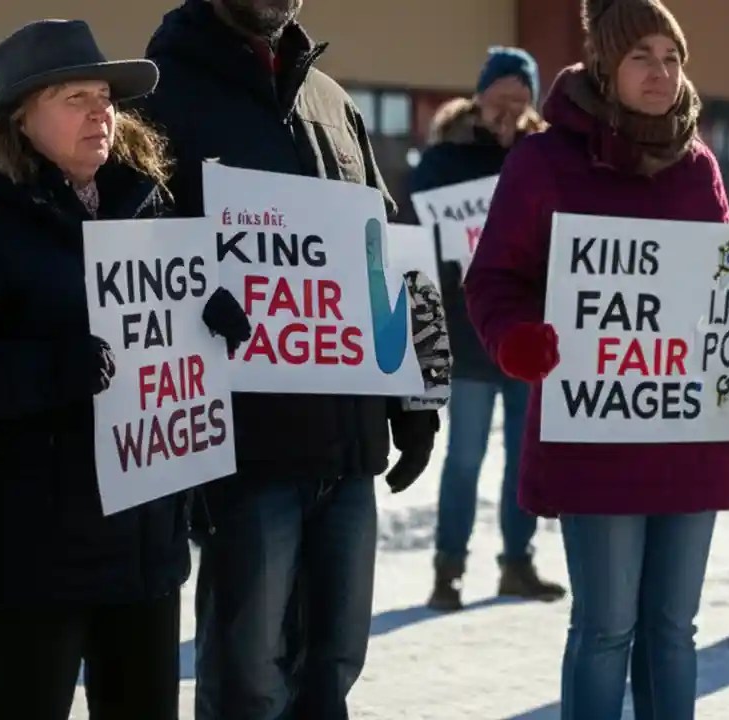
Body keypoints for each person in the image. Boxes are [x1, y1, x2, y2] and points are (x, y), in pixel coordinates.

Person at [464, 1, 729, 716]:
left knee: (673, 630)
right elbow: (493, 278)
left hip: (687, 433)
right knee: (606, 628)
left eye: (672, 57)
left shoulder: (700, 165)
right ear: (604, 65)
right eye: (641, 57)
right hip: (596, 433)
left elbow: (716, 288)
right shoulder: (545, 159)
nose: (661, 72)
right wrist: (516, 336)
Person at [133, 1, 445, 718]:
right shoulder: (158, 97)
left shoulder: (332, 102)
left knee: (333, 667)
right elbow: (132, 260)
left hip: (348, 449)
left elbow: (390, 246)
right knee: (249, 680)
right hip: (245, 453)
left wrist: (420, 397)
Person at [0, 19, 249, 720]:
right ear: (19, 120)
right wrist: (50, 370)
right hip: (35, 554)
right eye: (74, 97)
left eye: (105, 97)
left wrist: (210, 324)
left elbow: (164, 335)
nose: (101, 112)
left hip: (144, 544)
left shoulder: (146, 201)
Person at [404, 46, 565, 611]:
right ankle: (448, 571)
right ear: (479, 98)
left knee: (526, 457)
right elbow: (412, 234)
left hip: (527, 334)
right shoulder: (443, 160)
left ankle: (516, 565)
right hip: (468, 336)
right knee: (465, 457)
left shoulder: (544, 158)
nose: (509, 112)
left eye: (520, 102)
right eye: (500, 100)